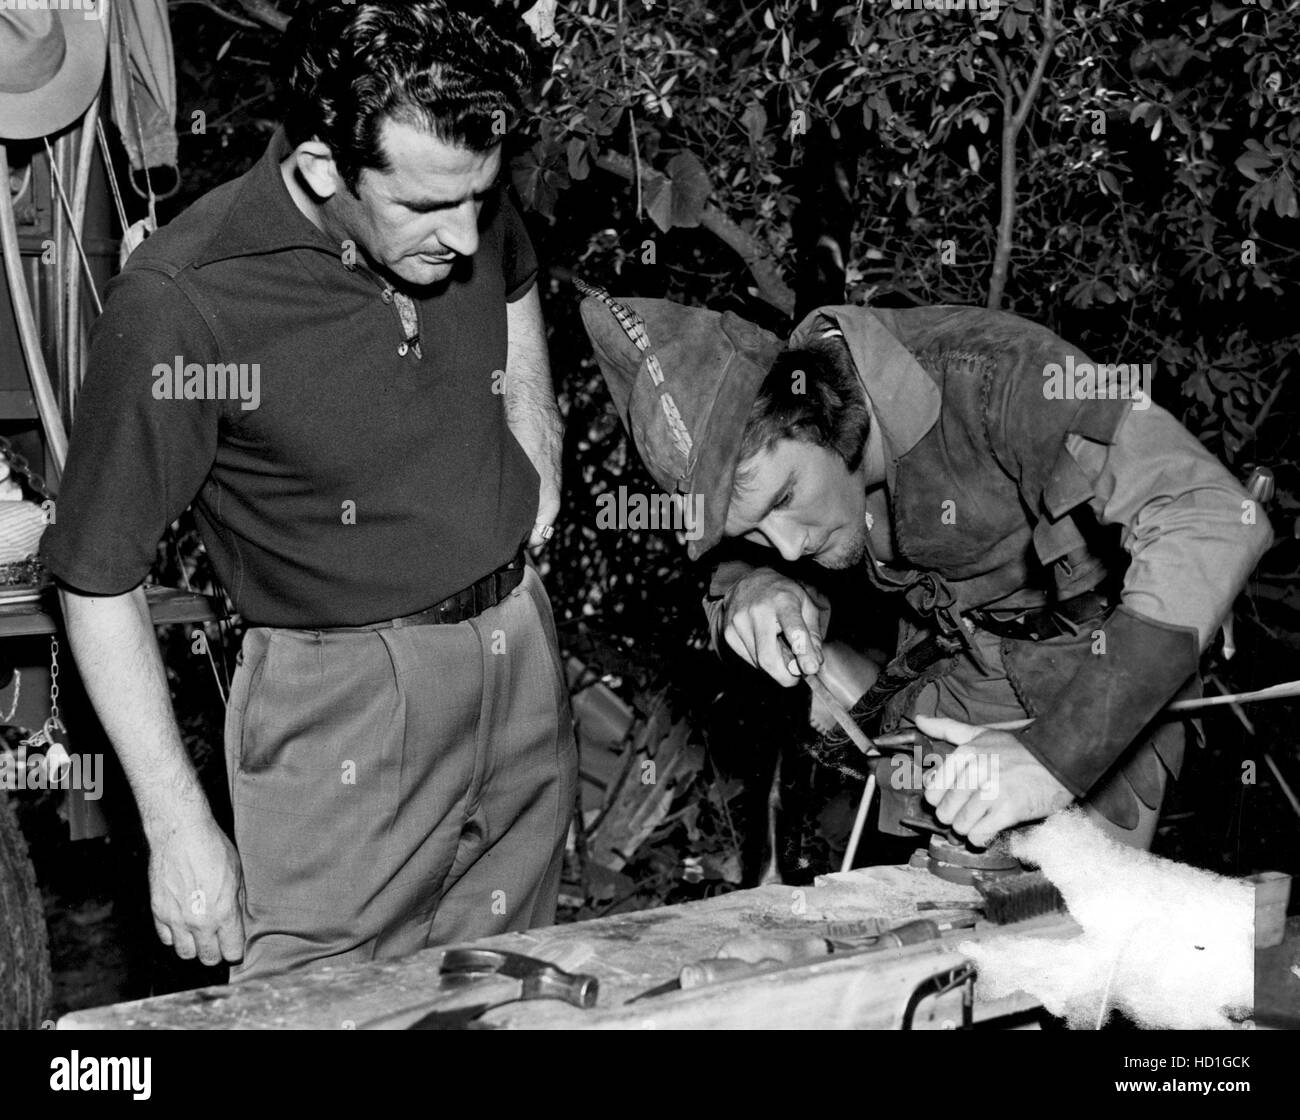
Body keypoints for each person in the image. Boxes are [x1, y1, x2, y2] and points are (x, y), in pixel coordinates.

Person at [42, 0, 577, 980]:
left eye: (481, 195)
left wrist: (530, 444)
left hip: (518, 656)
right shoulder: (189, 300)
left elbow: (511, 274)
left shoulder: (450, 175)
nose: (463, 235)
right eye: (424, 209)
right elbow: (94, 576)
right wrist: (177, 827)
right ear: (325, 165)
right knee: (318, 1010)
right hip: (345, 708)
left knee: (508, 988)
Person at [578, 287, 1271, 852]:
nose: (785, 546)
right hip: (948, 689)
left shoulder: (1000, 375)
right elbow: (745, 562)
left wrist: (1053, 756)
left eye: (784, 499)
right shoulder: (793, 485)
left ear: (820, 410)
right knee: (931, 956)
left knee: (1061, 959)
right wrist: (753, 588)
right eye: (753, 531)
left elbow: (1211, 517)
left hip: (1095, 675)